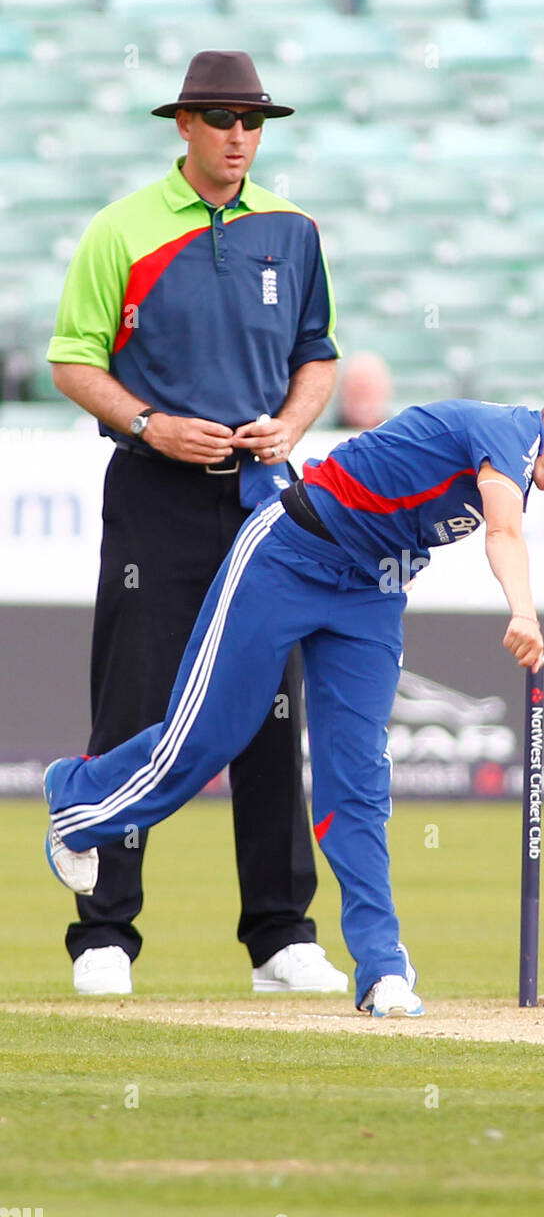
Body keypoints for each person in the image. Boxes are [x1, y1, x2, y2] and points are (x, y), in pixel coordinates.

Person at [42, 394, 544, 1017]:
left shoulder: (521, 466)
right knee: (208, 736)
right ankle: (77, 798)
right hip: (290, 552)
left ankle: (382, 968)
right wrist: (523, 610)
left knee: (357, 782)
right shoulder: (505, 431)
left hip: (371, 593)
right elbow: (503, 530)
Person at [45, 50, 348, 996]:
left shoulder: (291, 230)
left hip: (263, 495)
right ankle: (103, 933)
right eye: (219, 119)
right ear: (182, 124)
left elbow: (317, 355)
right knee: (134, 703)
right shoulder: (121, 230)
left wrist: (291, 427)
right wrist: (148, 424)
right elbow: (72, 360)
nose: (237, 136)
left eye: (251, 121)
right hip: (155, 490)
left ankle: (279, 936)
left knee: (271, 704)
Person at [335, 351, 393, 429]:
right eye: (356, 391)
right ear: (342, 393)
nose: (363, 402)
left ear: (386, 391)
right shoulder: (323, 435)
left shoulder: (400, 436)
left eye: (370, 391)